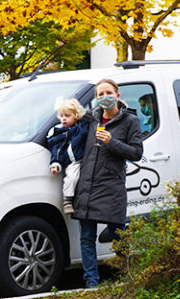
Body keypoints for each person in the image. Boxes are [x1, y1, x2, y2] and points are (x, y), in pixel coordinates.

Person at [73, 79, 143, 288]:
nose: (104, 97)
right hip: (87, 185)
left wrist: (111, 141)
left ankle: (126, 277)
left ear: (118, 95)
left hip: (111, 187)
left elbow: (137, 152)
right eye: (100, 94)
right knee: (86, 238)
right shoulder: (91, 118)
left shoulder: (130, 121)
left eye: (108, 92)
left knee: (117, 234)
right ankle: (91, 282)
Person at [47, 97, 89, 215]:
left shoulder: (82, 126)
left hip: (85, 159)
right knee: (72, 178)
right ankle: (67, 201)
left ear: (76, 115)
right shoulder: (60, 132)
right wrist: (55, 163)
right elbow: (57, 149)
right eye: (61, 116)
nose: (63, 118)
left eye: (67, 115)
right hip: (73, 161)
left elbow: (85, 130)